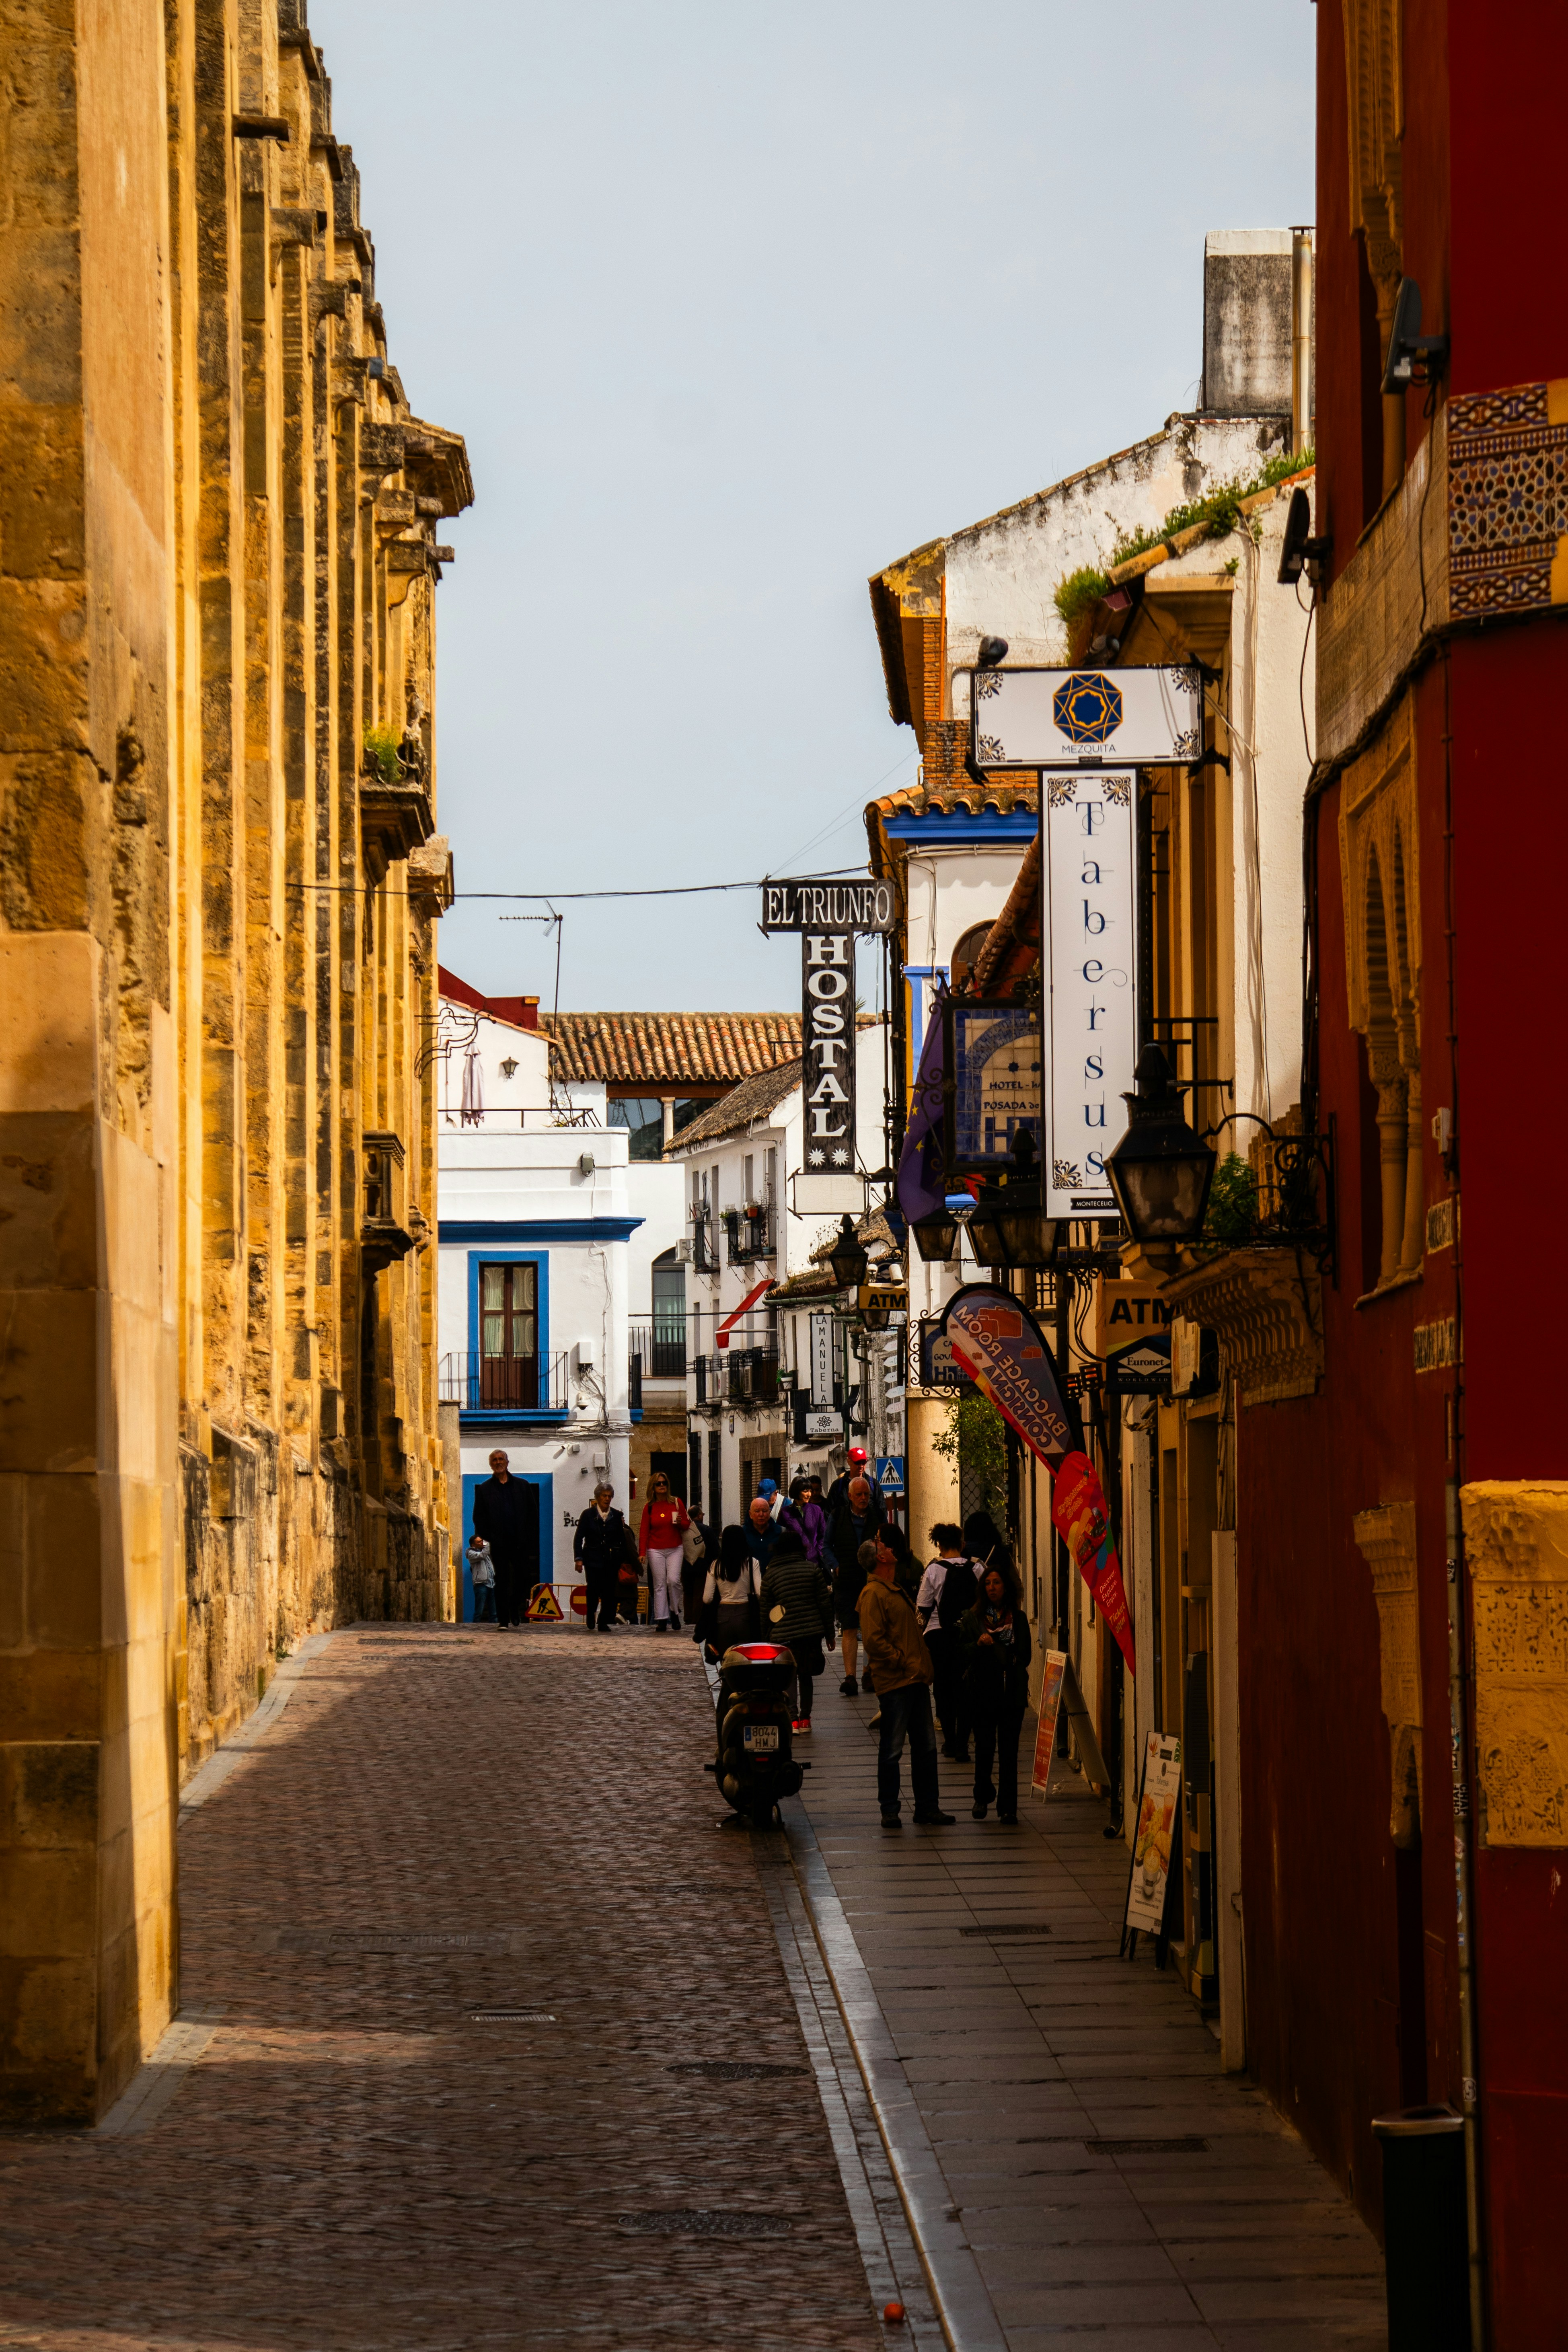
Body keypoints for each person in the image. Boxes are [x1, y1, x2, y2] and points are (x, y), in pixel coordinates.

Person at [859, 1522, 952, 1829]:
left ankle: (927, 1807)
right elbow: (874, 1641)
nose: (887, 1547)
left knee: (925, 1747)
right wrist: (901, 1662)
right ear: (881, 1559)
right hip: (897, 1681)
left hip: (913, 1678)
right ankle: (890, 1808)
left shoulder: (892, 1588)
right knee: (893, 1748)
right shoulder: (874, 1592)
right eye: (883, 1546)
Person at [959, 1559, 1033, 1823]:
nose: (992, 1588)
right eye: (987, 1583)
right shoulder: (973, 1619)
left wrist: (1008, 1653)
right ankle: (982, 1796)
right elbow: (961, 1653)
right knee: (984, 1748)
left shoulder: (1019, 1620)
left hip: (1011, 1694)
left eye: (997, 1583)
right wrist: (978, 1645)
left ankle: (1008, 1808)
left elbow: (1025, 1656)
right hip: (982, 1693)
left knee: (1009, 1753)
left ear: (1006, 1588)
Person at [758, 1526, 835, 1733]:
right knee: (806, 1674)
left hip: (783, 1635)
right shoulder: (812, 1570)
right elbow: (824, 1605)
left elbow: (766, 1609)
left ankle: (792, 1719)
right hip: (810, 1634)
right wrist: (830, 1634)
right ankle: (806, 1719)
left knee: (790, 1676)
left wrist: (766, 1635)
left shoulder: (771, 1575)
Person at [917, 1523, 974, 1761]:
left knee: (943, 1689)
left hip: (938, 1634)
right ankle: (963, 1744)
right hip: (968, 1636)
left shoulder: (933, 1571)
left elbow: (923, 1606)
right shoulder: (977, 1568)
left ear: (939, 1545)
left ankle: (950, 1742)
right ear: (962, 1544)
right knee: (966, 1689)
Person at [471, 1450, 539, 1629]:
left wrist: (529, 1537)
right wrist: (489, 1537)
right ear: (491, 1464)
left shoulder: (522, 1486)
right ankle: (503, 1620)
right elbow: (478, 1517)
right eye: (495, 1460)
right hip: (499, 1544)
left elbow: (533, 1514)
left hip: (520, 1543)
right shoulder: (485, 1489)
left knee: (524, 1579)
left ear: (507, 1463)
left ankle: (513, 1606)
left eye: (501, 1459)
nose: (498, 1462)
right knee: (501, 1581)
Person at [828, 1474, 882, 1694]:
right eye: (859, 1495)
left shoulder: (878, 1516)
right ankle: (850, 1677)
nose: (863, 1498)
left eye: (866, 1495)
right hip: (846, 1580)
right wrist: (835, 1565)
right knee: (849, 1628)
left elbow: (885, 1544)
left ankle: (868, 1673)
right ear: (850, 1496)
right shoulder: (838, 1515)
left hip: (871, 1581)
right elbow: (826, 1545)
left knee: (871, 1629)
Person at [573, 1482, 633, 1632]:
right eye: (604, 1496)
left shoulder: (616, 1515)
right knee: (593, 1589)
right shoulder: (588, 1515)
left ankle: (603, 1621)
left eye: (609, 1496)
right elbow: (579, 1537)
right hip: (593, 1559)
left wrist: (621, 1558)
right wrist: (579, 1558)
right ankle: (591, 1612)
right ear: (598, 1497)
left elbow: (621, 1539)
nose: (607, 1499)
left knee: (610, 1593)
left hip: (611, 1560)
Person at [697, 1524, 762, 1657]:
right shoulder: (752, 1562)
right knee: (746, 1658)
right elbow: (759, 1592)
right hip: (746, 1616)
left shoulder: (716, 1565)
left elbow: (707, 1598)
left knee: (726, 1658)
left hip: (723, 1617)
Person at [638, 1472, 691, 1632]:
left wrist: (682, 1522)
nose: (662, 1486)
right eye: (658, 1484)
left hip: (675, 1547)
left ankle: (675, 1612)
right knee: (659, 1584)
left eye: (664, 1483)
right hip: (655, 1549)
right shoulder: (649, 1508)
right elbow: (644, 1531)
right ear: (653, 1488)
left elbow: (687, 1525)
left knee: (673, 1581)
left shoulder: (676, 1503)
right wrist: (642, 1552)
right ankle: (661, 1619)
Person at [681, 1502, 714, 1632]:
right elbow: (714, 1550)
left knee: (688, 1593)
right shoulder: (707, 1530)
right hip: (702, 1568)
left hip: (686, 1567)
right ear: (700, 1515)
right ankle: (696, 1619)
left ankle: (688, 1617)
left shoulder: (684, 1530)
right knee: (700, 1593)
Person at [778, 1475, 827, 1563]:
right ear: (797, 1492)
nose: (809, 1494)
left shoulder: (816, 1510)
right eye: (805, 1491)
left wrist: (818, 1552)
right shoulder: (785, 1512)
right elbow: (780, 1536)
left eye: (810, 1491)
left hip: (813, 1561)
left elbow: (823, 1534)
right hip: (793, 1560)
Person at [824, 1447, 884, 1517]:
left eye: (864, 1462)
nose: (861, 1466)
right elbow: (828, 1512)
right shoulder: (838, 1486)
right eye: (858, 1462)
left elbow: (882, 1510)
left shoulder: (874, 1484)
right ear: (849, 1461)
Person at [744, 1493, 781, 1573]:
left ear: (770, 1512)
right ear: (750, 1514)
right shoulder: (743, 1533)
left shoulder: (780, 1531)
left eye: (764, 1511)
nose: (761, 1515)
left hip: (774, 1577)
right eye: (757, 1511)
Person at [467, 1534, 497, 1624]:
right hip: (481, 1585)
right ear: (473, 1545)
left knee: (494, 1611)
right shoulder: (470, 1553)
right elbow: (481, 1556)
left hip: (492, 1584)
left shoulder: (485, 1552)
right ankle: (476, 1628)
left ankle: (493, 1627)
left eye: (482, 1541)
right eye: (479, 1542)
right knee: (479, 1611)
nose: (481, 1543)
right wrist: (489, 1544)